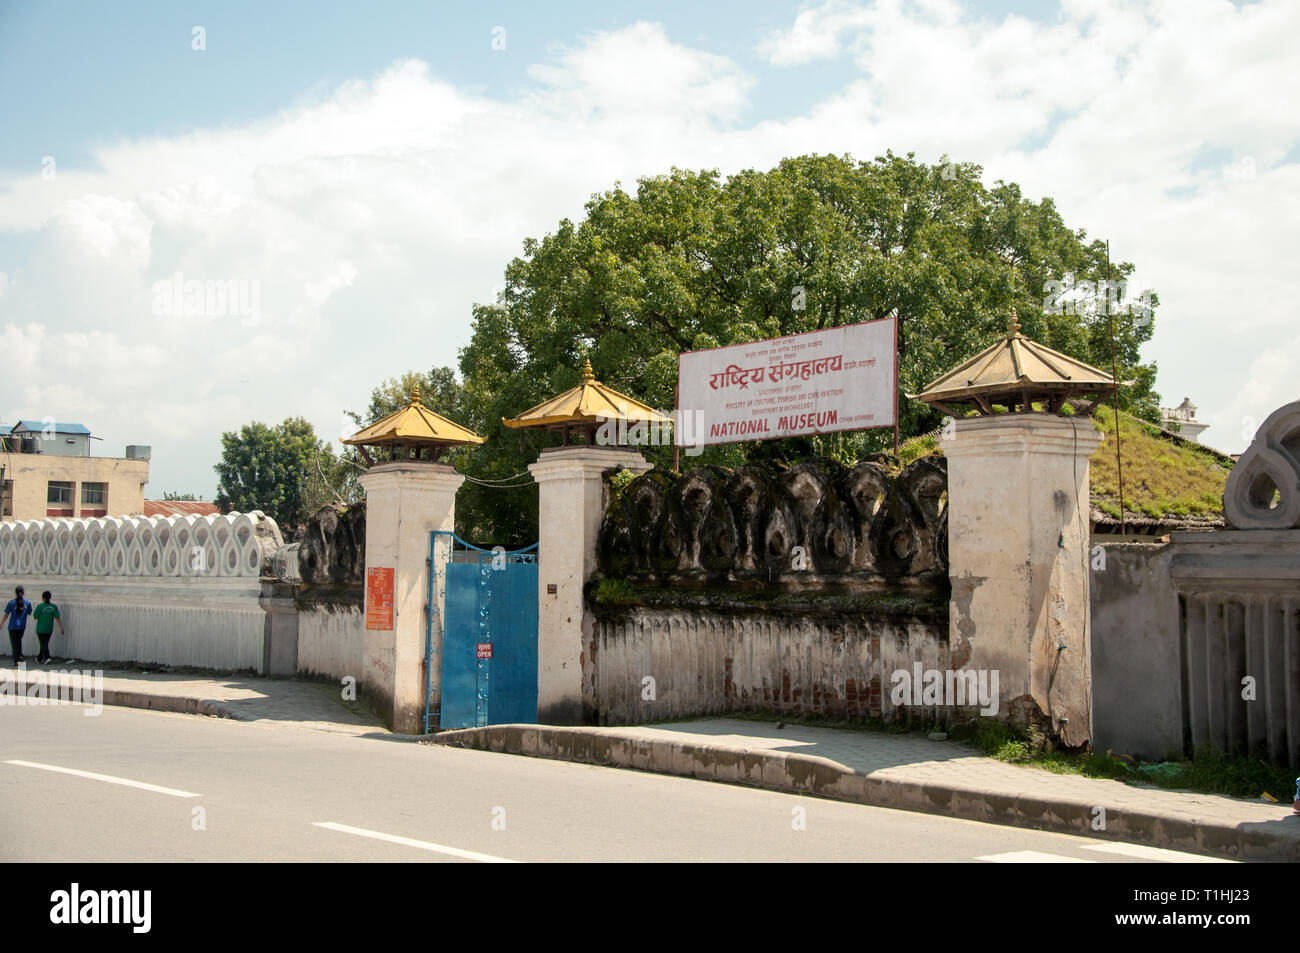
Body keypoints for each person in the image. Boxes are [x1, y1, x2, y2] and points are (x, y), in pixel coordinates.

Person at [2, 586, 33, 666]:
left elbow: (6, 615)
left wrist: (1, 623)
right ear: (23, 593)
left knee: (14, 644)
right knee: (18, 642)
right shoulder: (27, 603)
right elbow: (29, 613)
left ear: (15, 593)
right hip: (21, 627)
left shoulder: (11, 603)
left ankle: (16, 660)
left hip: (12, 626)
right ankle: (19, 657)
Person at [32, 590, 65, 665]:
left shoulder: (40, 606)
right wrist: (61, 628)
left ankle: (47, 657)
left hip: (40, 629)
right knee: (44, 643)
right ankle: (39, 658)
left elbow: (35, 617)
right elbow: (57, 618)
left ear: (43, 598)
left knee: (44, 644)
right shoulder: (54, 607)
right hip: (49, 629)